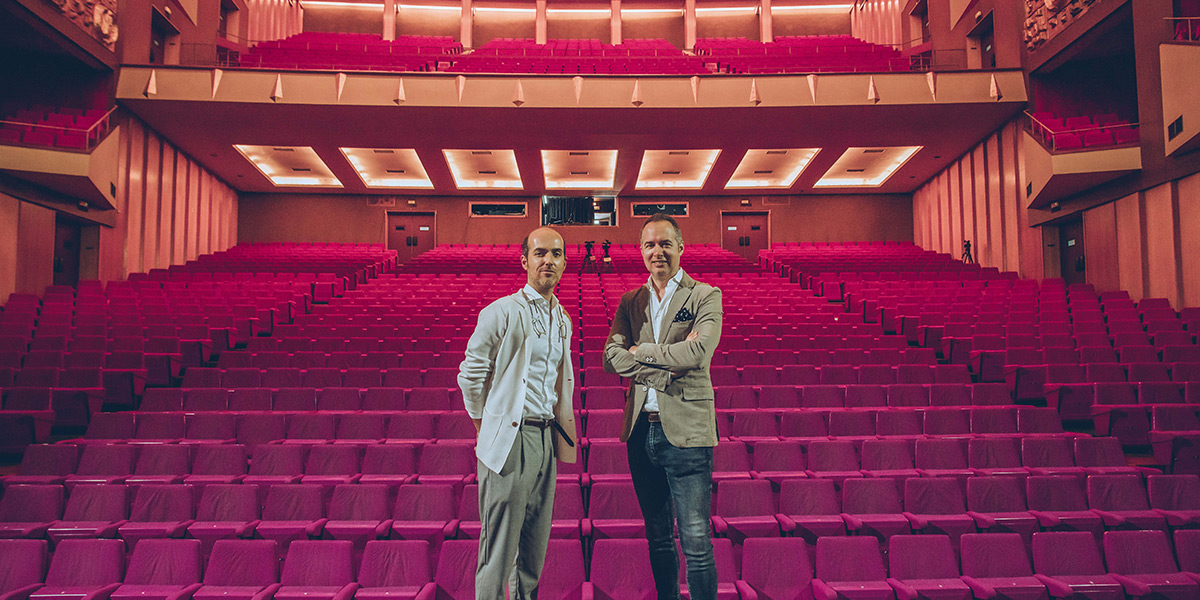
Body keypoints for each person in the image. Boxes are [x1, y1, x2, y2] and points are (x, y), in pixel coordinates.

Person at [602, 214, 723, 600]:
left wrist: (642, 352)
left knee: (696, 539)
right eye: (650, 245)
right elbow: (610, 358)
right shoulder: (630, 301)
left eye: (665, 244)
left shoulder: (704, 295)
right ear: (640, 251)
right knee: (658, 537)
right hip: (641, 431)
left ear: (681, 248)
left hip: (687, 431)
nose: (658, 251)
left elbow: (698, 351)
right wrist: (666, 367)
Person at [458, 226, 578, 600]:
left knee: (533, 550)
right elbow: (470, 376)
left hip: (546, 437)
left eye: (556, 254)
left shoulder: (563, 318)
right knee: (499, 552)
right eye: (540, 253)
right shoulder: (501, 312)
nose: (548, 261)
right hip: (511, 439)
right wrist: (483, 425)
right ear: (525, 261)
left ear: (564, 263)